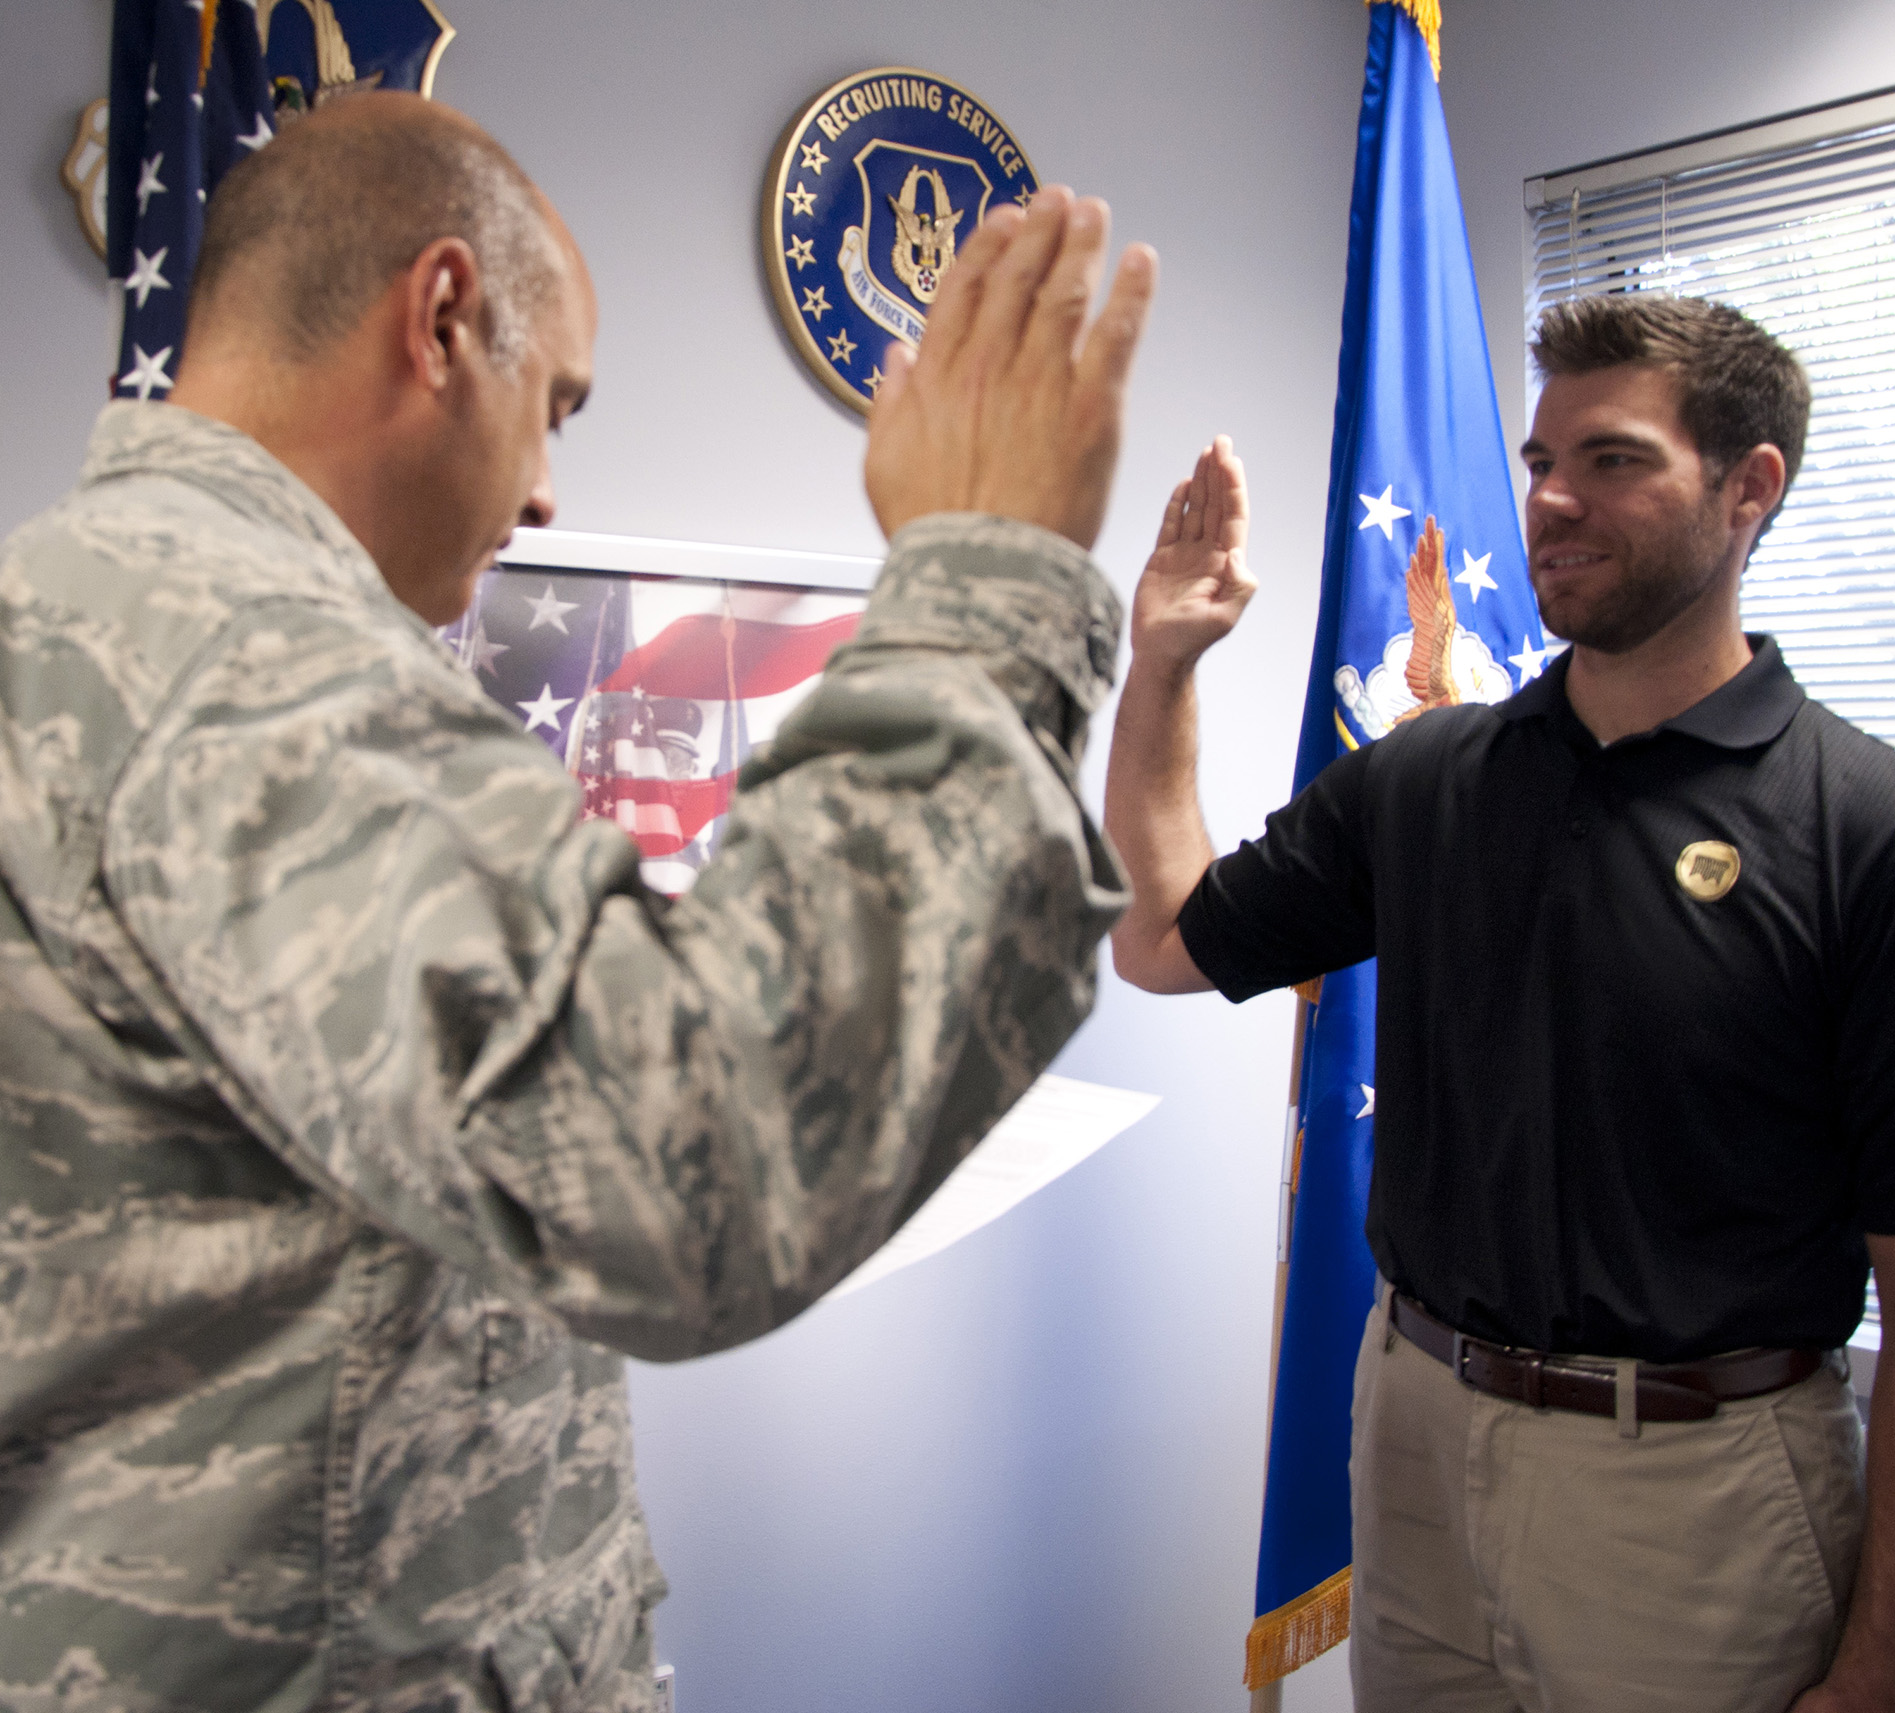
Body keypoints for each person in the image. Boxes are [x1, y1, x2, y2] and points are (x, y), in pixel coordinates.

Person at [0, 93, 1157, 1711]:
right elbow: (687, 1159)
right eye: (556, 404)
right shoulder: (222, 647)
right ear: (443, 318)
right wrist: (991, 575)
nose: (546, 489)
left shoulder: (115, 614)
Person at [1105, 295, 1895, 1712]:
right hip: (1417, 1435)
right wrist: (1166, 665)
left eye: (1612, 459)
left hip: (1694, 1492)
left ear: (1750, 489)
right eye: (1541, 458)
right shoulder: (1428, 780)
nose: (1551, 498)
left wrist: (1880, 1674)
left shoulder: (1886, 832)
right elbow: (1167, 939)